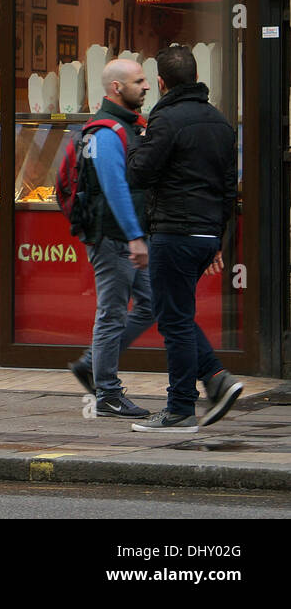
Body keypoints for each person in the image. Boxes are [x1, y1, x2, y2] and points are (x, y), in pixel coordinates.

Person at [126, 44, 242, 433]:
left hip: (174, 232)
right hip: (206, 234)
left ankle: (180, 408)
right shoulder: (221, 123)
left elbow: (140, 173)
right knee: (176, 313)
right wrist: (218, 238)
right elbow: (229, 190)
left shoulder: (167, 120)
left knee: (172, 319)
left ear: (161, 82)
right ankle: (215, 379)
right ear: (195, 77)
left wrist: (135, 143)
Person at [67, 60, 155, 418]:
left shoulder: (124, 127)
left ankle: (92, 363)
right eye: (139, 81)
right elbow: (114, 187)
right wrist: (135, 236)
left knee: (150, 304)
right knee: (112, 313)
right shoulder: (106, 132)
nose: (146, 86)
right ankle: (107, 393)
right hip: (112, 236)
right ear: (117, 88)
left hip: (125, 234)